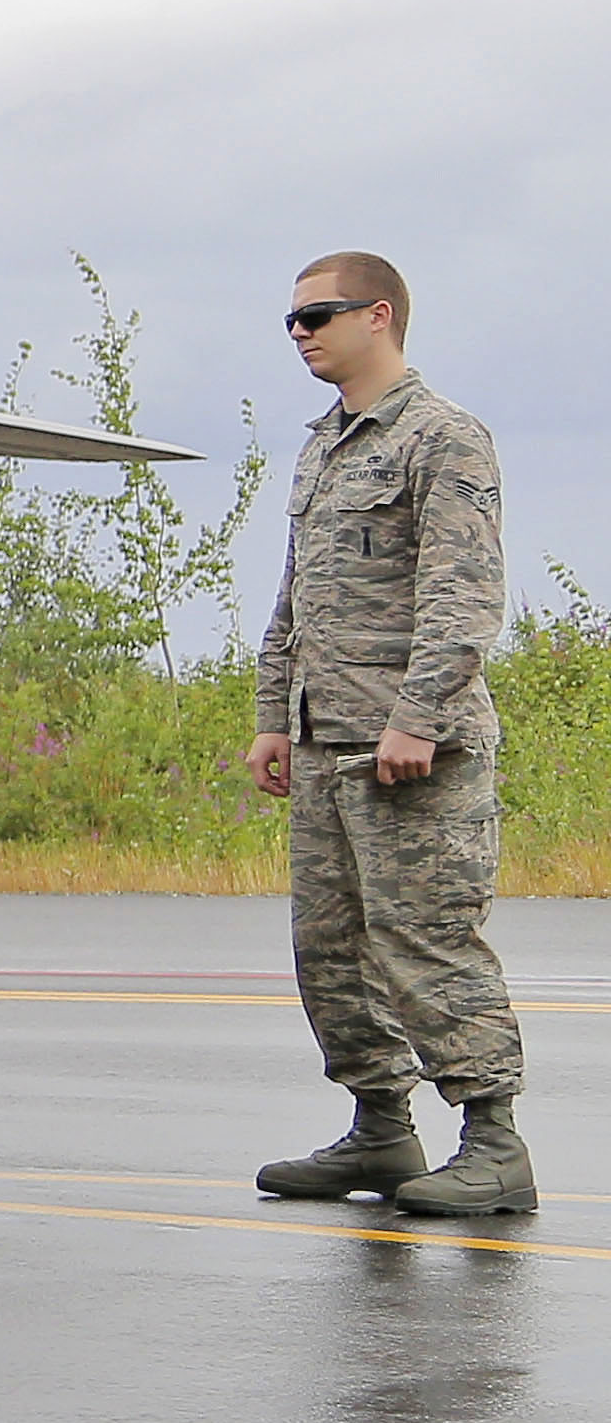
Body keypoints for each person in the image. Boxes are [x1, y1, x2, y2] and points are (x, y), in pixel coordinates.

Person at [246, 257, 528, 1217]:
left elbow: (464, 593)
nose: (300, 333)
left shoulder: (442, 437)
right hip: (327, 744)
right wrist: (272, 718)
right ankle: (380, 1129)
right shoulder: (323, 446)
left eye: (317, 316)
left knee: (425, 941)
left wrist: (418, 715)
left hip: (413, 749)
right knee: (329, 948)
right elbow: (296, 599)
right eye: (289, 321)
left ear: (380, 315)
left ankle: (494, 1143)